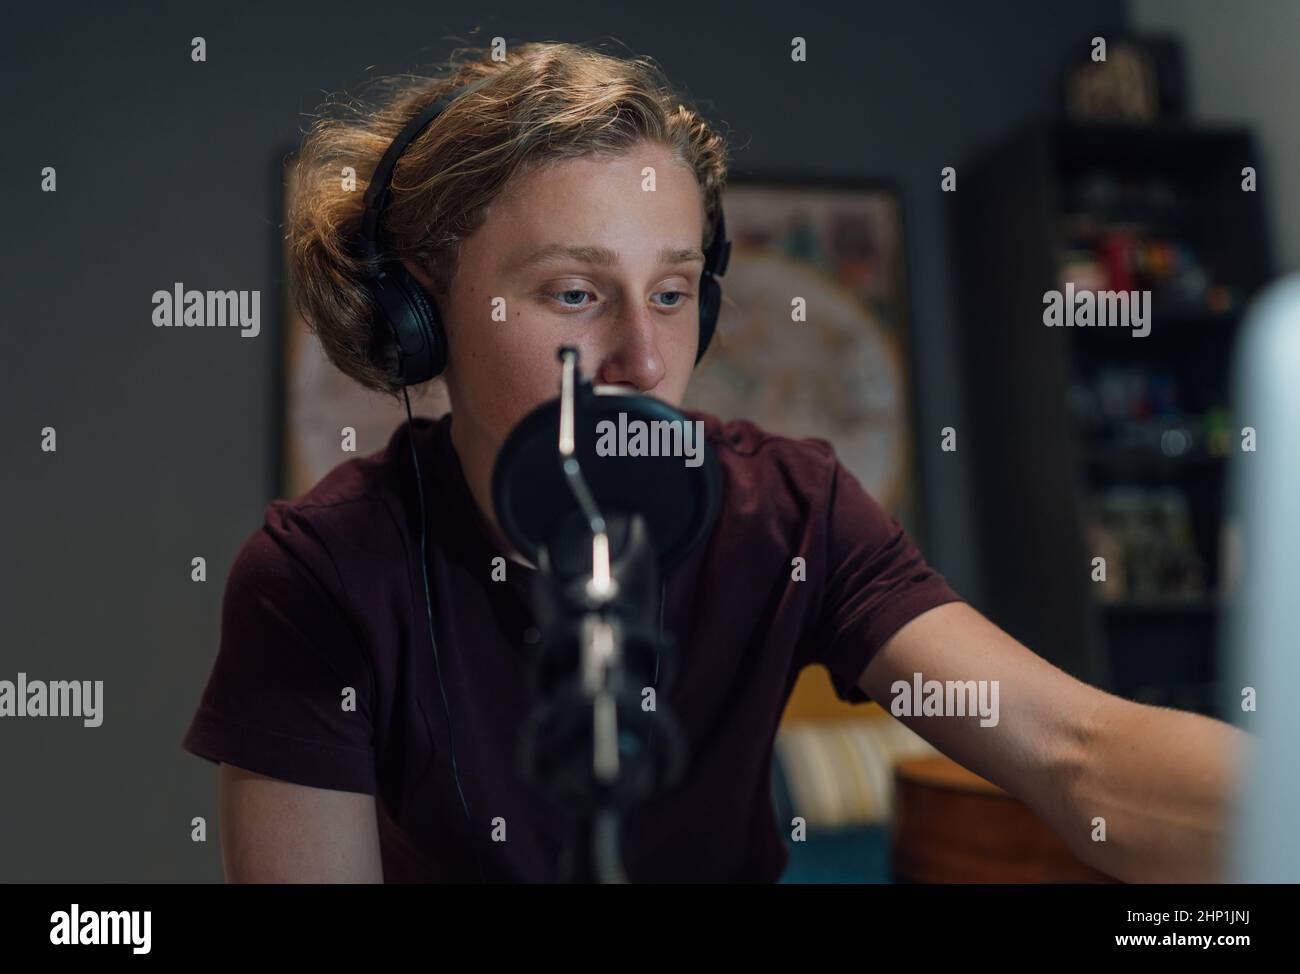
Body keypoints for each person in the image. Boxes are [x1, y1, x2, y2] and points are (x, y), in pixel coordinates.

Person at [182, 40, 1246, 883]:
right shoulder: (317, 577)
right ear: (423, 312)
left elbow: (1074, 750)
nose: (645, 358)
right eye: (572, 291)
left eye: (674, 290)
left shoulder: (791, 511)